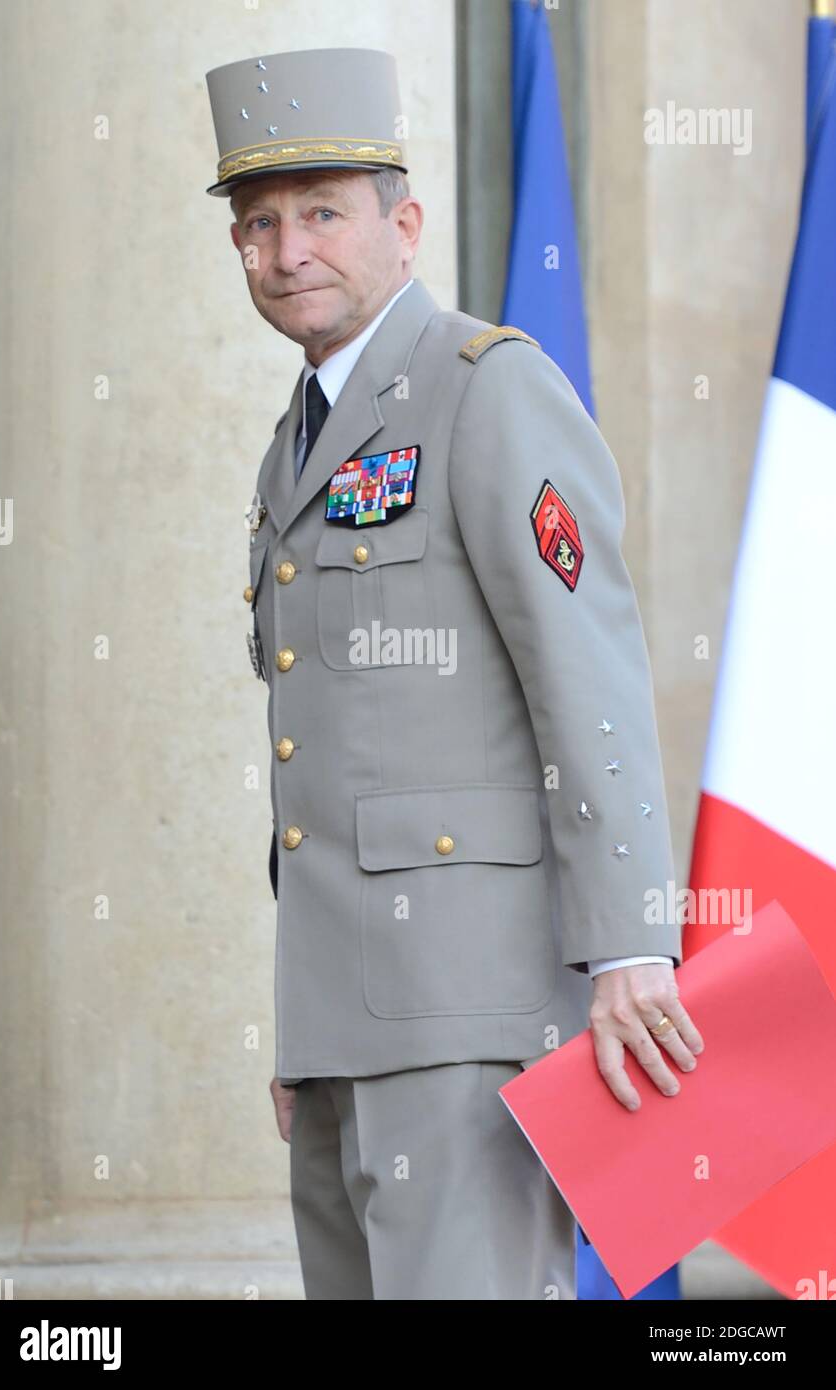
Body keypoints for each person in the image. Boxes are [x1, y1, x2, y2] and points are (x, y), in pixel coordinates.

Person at [204, 46, 701, 1300]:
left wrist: (631, 944)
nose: (287, 249)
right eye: (258, 224)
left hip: (472, 1018)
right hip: (345, 1028)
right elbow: (320, 769)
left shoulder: (487, 392)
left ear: (404, 223)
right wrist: (305, 1027)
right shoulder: (296, 443)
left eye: (322, 210)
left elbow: (584, 671)